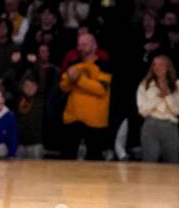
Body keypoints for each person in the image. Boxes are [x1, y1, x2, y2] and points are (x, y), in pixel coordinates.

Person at [59, 29, 112, 160]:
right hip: (73, 118)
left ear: (94, 46)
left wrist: (78, 80)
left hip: (94, 121)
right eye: (79, 44)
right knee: (67, 159)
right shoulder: (73, 64)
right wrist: (71, 80)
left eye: (85, 44)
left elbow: (100, 89)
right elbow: (63, 86)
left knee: (94, 160)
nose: (81, 47)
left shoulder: (104, 64)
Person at [135, 54, 179, 163]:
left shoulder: (177, 84)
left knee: (172, 165)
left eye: (161, 64)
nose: (157, 67)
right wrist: (159, 97)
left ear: (168, 67)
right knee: (149, 164)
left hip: (170, 126)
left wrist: (167, 95)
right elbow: (142, 110)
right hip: (150, 126)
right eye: (154, 64)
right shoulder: (145, 84)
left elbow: (177, 110)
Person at [14, 74, 47, 159]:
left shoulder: (40, 100)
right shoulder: (17, 100)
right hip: (19, 144)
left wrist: (36, 63)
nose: (30, 88)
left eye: (33, 86)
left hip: (35, 144)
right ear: (22, 87)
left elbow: (43, 81)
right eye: (27, 85)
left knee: (36, 171)